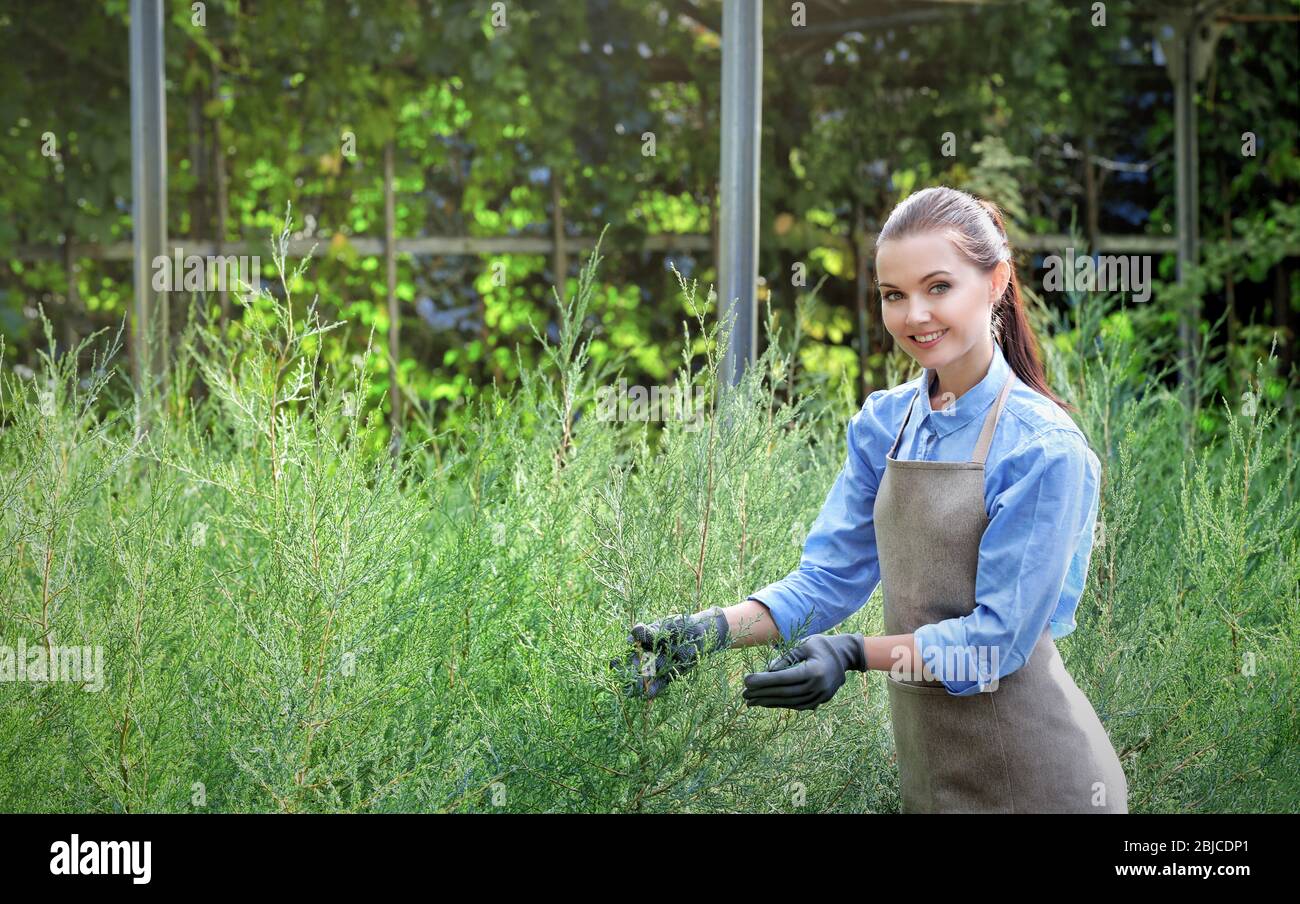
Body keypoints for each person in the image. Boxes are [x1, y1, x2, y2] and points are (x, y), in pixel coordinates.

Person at [611, 186, 1129, 814]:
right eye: (893, 295)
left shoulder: (1043, 449)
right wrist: (714, 629)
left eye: (939, 287)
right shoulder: (886, 424)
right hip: (933, 783)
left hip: (1045, 782)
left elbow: (997, 645)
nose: (914, 316)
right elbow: (828, 579)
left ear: (996, 282)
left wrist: (856, 652)